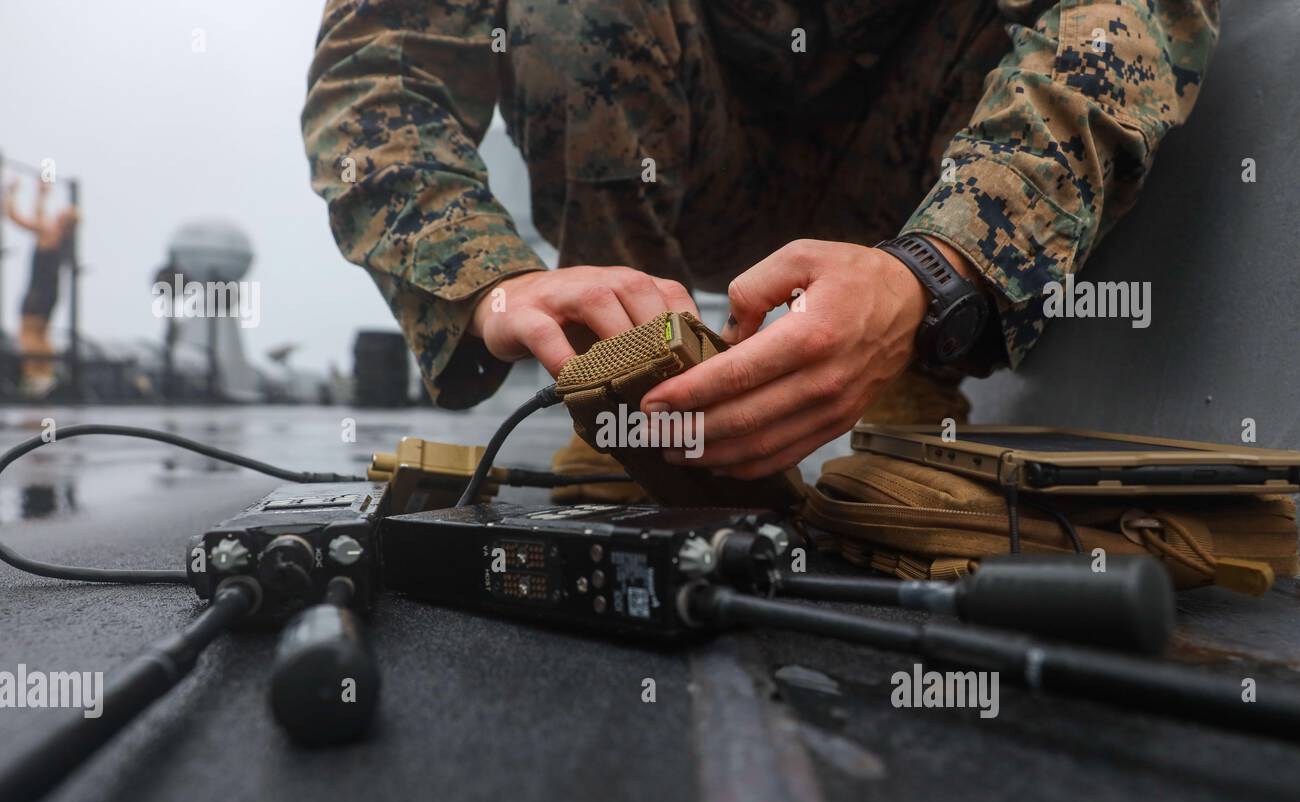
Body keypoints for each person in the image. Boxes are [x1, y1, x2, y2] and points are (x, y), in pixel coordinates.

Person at [302, 0, 1218, 480]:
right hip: (690, 171)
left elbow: (1128, 12)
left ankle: (908, 372)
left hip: (922, 186)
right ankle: (633, 379)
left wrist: (938, 276)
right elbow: (382, 67)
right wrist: (490, 281)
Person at [4, 179, 78, 396]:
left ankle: (36, 376)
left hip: (38, 292)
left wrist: (10, 193)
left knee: (28, 334)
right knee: (41, 334)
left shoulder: (50, 232)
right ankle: (43, 375)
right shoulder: (59, 236)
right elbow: (40, 218)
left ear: (63, 220)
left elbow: (15, 217)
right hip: (49, 292)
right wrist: (41, 195)